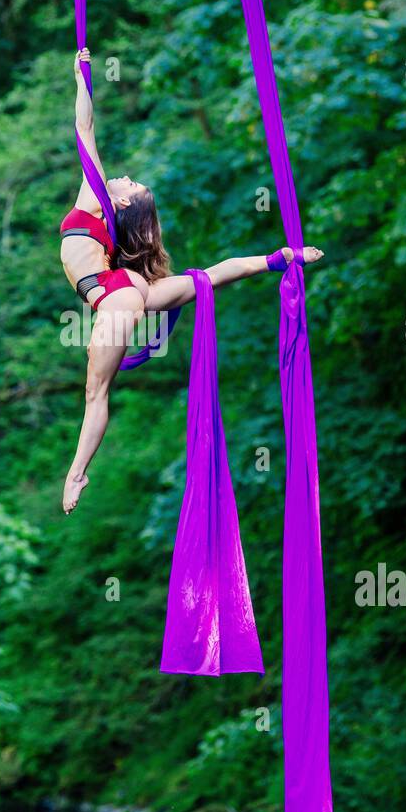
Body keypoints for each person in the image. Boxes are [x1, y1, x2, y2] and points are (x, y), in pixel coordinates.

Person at [59, 48, 323, 513]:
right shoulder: (120, 246)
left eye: (131, 185)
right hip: (126, 292)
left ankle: (77, 474)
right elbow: (219, 273)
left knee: (95, 393)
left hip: (116, 298)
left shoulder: (94, 199)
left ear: (120, 205)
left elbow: (85, 130)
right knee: (205, 281)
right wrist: (281, 256)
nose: (124, 177)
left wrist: (82, 80)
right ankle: (279, 259)